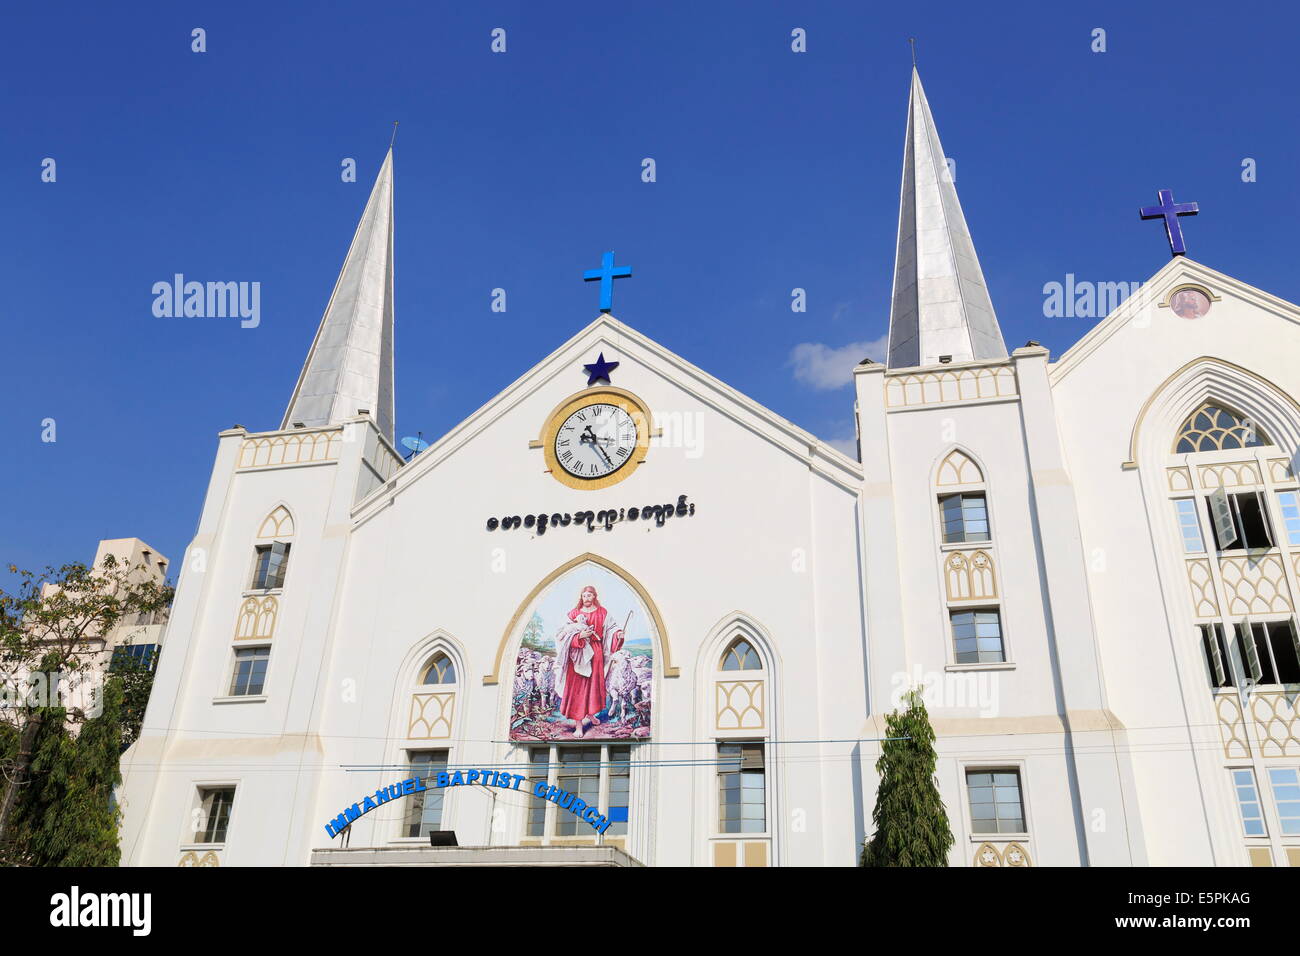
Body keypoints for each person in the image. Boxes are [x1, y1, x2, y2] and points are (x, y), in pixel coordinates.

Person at [553, 586, 624, 738]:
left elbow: (612, 629)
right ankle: (579, 724)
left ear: (594, 597)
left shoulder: (602, 612)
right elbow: (561, 635)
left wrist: (618, 634)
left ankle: (590, 713)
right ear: (581, 597)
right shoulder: (573, 613)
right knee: (578, 690)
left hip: (596, 654)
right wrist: (579, 636)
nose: (586, 598)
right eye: (584, 595)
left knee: (593, 688)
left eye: (589, 595)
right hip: (577, 656)